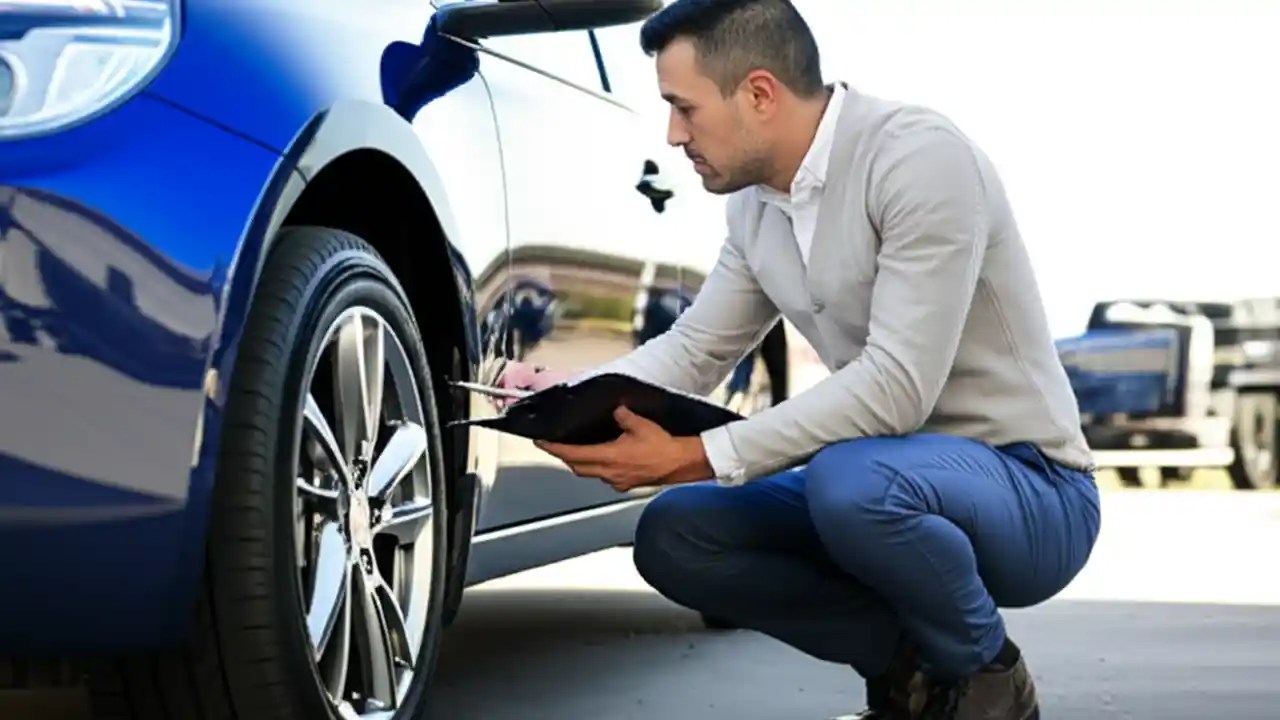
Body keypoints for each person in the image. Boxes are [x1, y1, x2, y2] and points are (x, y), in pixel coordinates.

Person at [497, 0, 1102, 717]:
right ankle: (910, 678)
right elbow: (697, 346)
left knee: (851, 482)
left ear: (758, 93)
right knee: (677, 534)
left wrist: (699, 453)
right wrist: (570, 397)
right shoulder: (756, 205)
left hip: (1031, 488)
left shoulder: (919, 159)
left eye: (683, 108)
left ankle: (988, 681)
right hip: (885, 476)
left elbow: (896, 389)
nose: (672, 134)